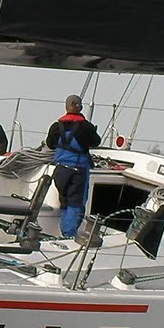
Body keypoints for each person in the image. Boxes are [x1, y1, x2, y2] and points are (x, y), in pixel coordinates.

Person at [45, 94, 101, 239]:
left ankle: (65, 232)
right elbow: (96, 142)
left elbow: (50, 144)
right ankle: (69, 236)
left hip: (60, 171)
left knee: (64, 203)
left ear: (66, 107)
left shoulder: (56, 126)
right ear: (80, 107)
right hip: (78, 172)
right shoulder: (86, 126)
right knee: (75, 204)